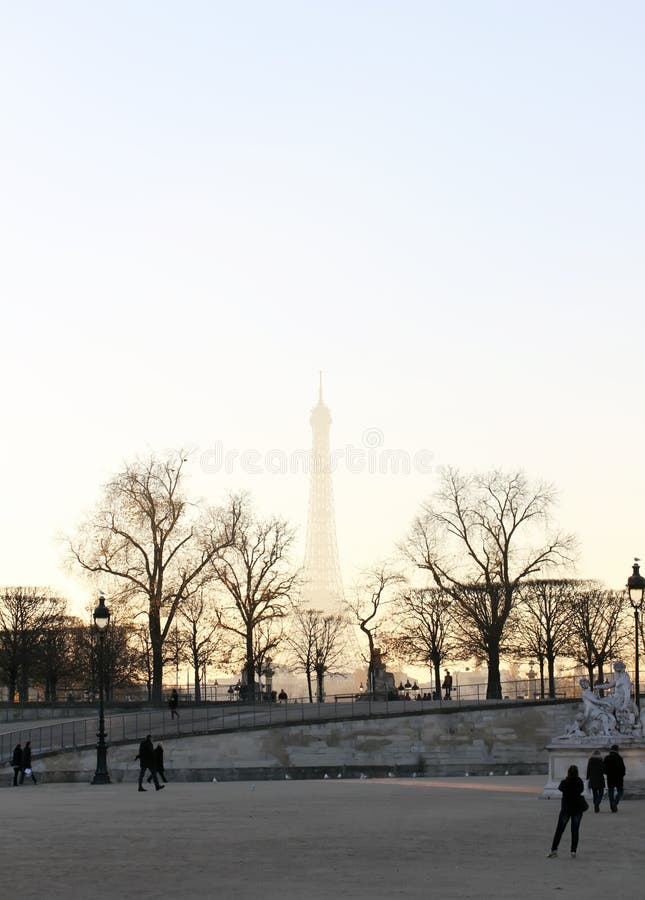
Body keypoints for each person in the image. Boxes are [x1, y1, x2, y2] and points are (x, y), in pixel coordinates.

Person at [548, 764, 586, 858]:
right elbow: (581, 790)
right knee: (575, 831)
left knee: (559, 830)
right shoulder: (579, 781)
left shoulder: (565, 782)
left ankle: (554, 850)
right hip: (577, 809)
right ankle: (573, 851)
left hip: (566, 809)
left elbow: (560, 788)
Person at [604, 744, 626, 812]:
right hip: (619, 778)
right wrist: (622, 775)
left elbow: (604, 768)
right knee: (620, 792)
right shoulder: (619, 758)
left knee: (611, 792)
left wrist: (607, 773)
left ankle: (612, 806)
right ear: (617, 750)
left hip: (610, 777)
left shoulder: (607, 758)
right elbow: (623, 768)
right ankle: (615, 803)